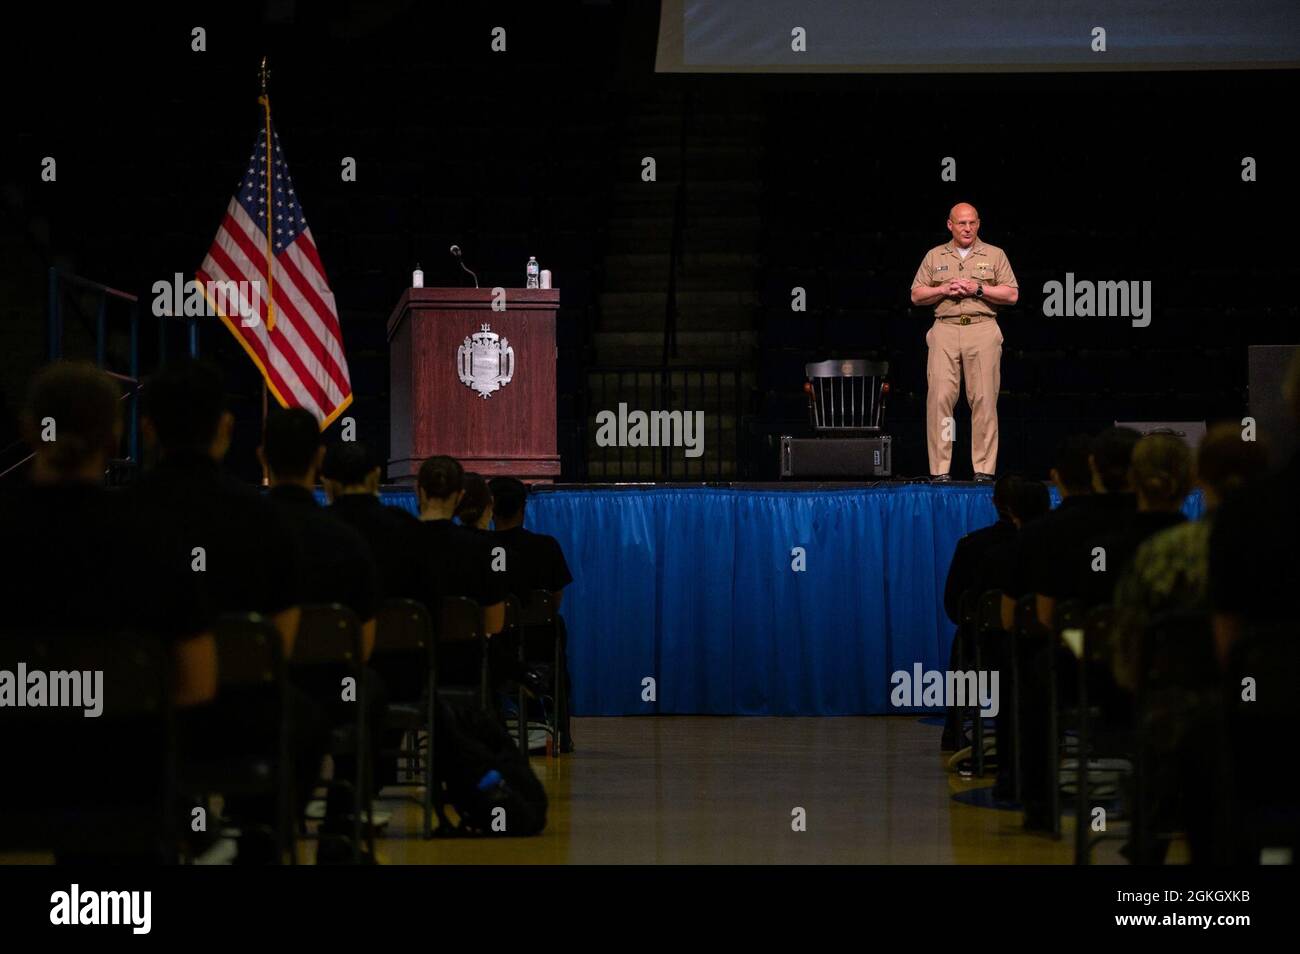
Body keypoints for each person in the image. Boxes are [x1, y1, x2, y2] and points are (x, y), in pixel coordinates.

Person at [0, 363, 217, 862]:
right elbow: (198, 683)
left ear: (30, 427)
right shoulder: (156, 539)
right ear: (115, 433)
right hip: (123, 786)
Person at [910, 203, 1018, 482]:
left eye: (972, 223)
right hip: (945, 329)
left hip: (982, 328)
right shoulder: (935, 256)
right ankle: (941, 470)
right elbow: (916, 294)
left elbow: (1011, 295)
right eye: (961, 223)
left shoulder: (995, 254)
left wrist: (978, 288)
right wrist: (943, 289)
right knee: (941, 400)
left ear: (979, 223)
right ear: (950, 225)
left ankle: (983, 469)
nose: (967, 228)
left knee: (983, 399)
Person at [490, 476, 575, 750]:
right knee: (557, 626)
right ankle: (560, 731)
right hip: (540, 646)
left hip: (495, 648)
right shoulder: (547, 546)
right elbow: (554, 603)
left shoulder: (478, 548)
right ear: (523, 508)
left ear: (490, 508)